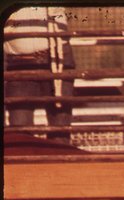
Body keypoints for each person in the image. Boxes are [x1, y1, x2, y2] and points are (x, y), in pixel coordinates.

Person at [3, 6, 75, 144]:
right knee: (20, 130)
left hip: (58, 57)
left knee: (60, 129)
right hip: (18, 62)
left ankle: (60, 162)